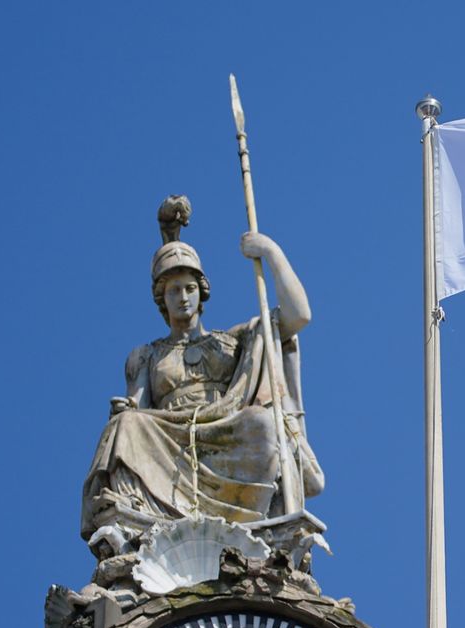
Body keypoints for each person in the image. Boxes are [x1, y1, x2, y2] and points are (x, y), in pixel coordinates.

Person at [81, 197, 323, 546]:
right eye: (173, 290)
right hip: (170, 434)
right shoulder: (146, 355)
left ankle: (253, 516)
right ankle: (137, 508)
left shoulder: (234, 340)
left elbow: (299, 315)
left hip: (223, 426)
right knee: (125, 427)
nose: (183, 297)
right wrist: (124, 411)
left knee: (262, 423)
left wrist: (270, 252)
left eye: (190, 288)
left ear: (202, 292)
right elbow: (138, 408)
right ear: (161, 299)